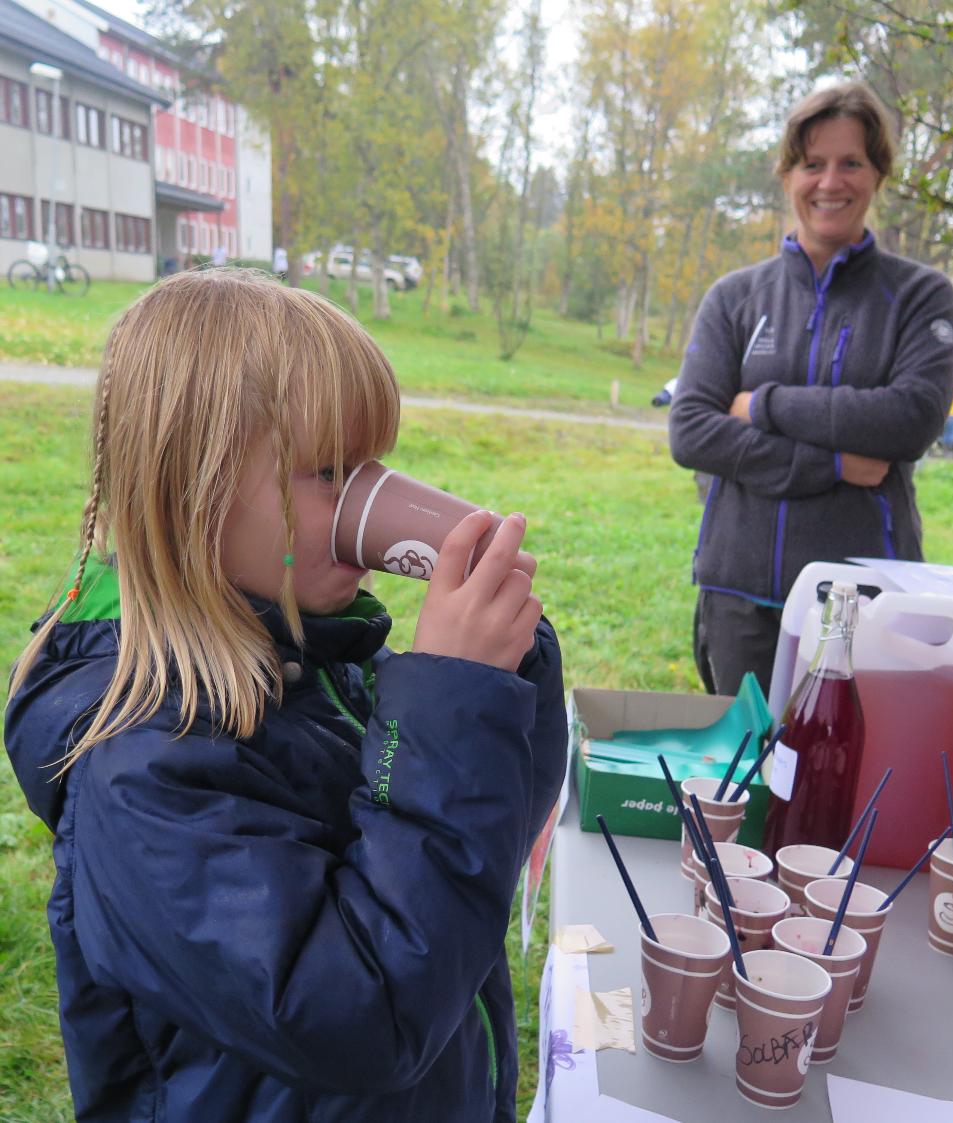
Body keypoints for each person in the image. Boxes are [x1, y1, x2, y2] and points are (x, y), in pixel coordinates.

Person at [4, 269, 567, 1122]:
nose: (368, 497)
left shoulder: (321, 662)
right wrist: (456, 703)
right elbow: (368, 1011)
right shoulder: (141, 772)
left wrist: (503, 681)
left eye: (372, 464)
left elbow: (483, 844)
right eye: (330, 471)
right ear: (194, 492)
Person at [668, 81, 953, 696]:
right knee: (747, 754)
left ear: (878, 174)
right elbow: (691, 431)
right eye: (812, 164)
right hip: (739, 595)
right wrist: (833, 463)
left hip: (867, 602)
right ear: (787, 176)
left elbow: (911, 419)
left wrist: (762, 404)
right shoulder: (735, 298)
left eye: (851, 163)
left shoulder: (920, 296)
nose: (831, 182)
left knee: (853, 755)